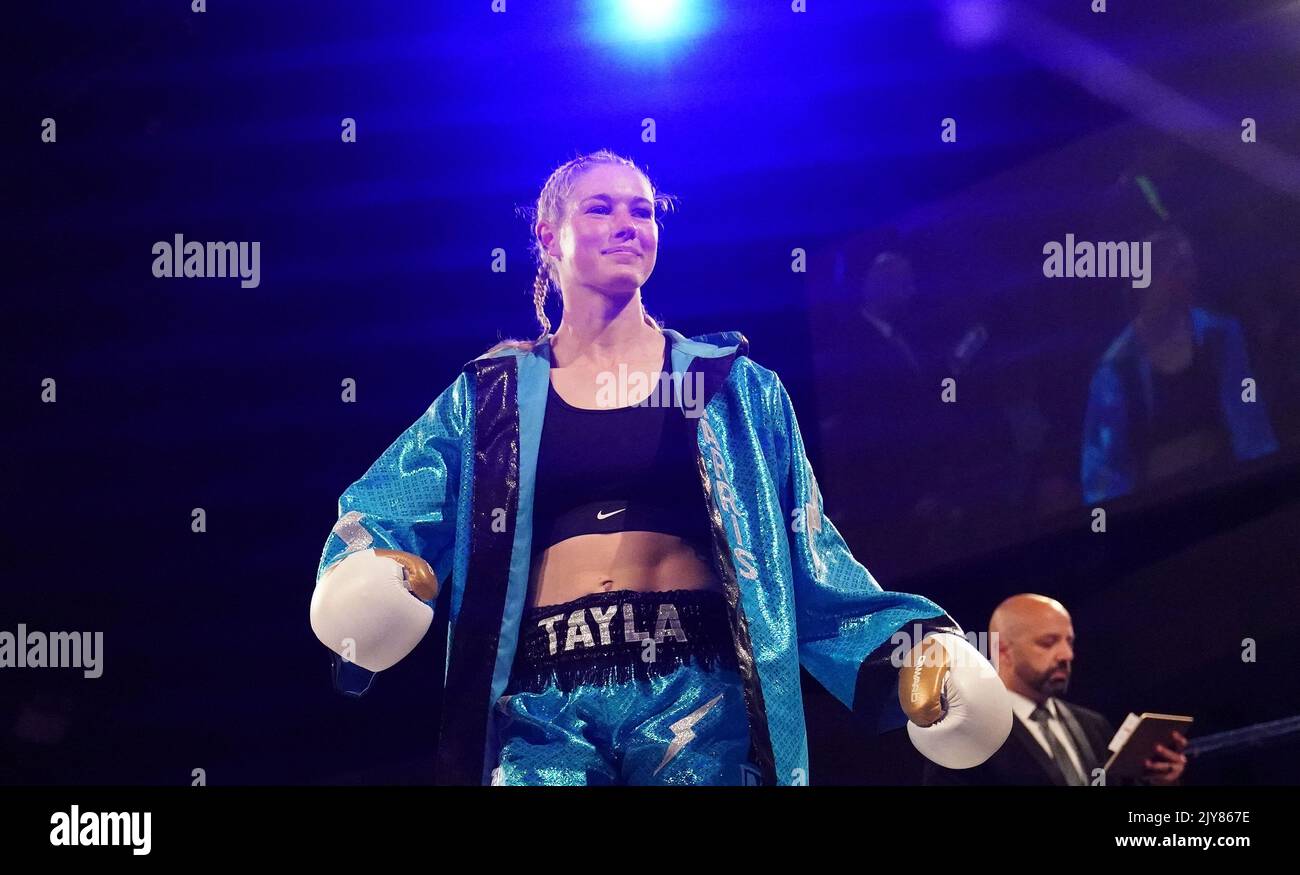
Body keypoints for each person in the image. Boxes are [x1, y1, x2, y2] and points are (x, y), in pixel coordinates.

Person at [308, 149, 1012, 785]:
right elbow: (389, 509)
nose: (628, 223)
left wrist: (912, 650)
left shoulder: (735, 387)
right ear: (549, 237)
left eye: (642, 210)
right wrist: (364, 573)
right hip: (538, 701)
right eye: (601, 207)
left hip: (702, 692)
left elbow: (810, 554)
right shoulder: (488, 398)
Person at [1082, 227, 1278, 503]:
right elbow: (1104, 471)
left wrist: (1266, 487)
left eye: (1188, 266)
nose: (1188, 277)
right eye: (1174, 268)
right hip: (1158, 510)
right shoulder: (1114, 369)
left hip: (1227, 490)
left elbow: (1249, 421)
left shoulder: (1221, 335)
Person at [924, 594, 1188, 786]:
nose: (1066, 654)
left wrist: (1163, 781)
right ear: (1003, 650)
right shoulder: (967, 732)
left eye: (1069, 641)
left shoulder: (1093, 725)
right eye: (1048, 643)